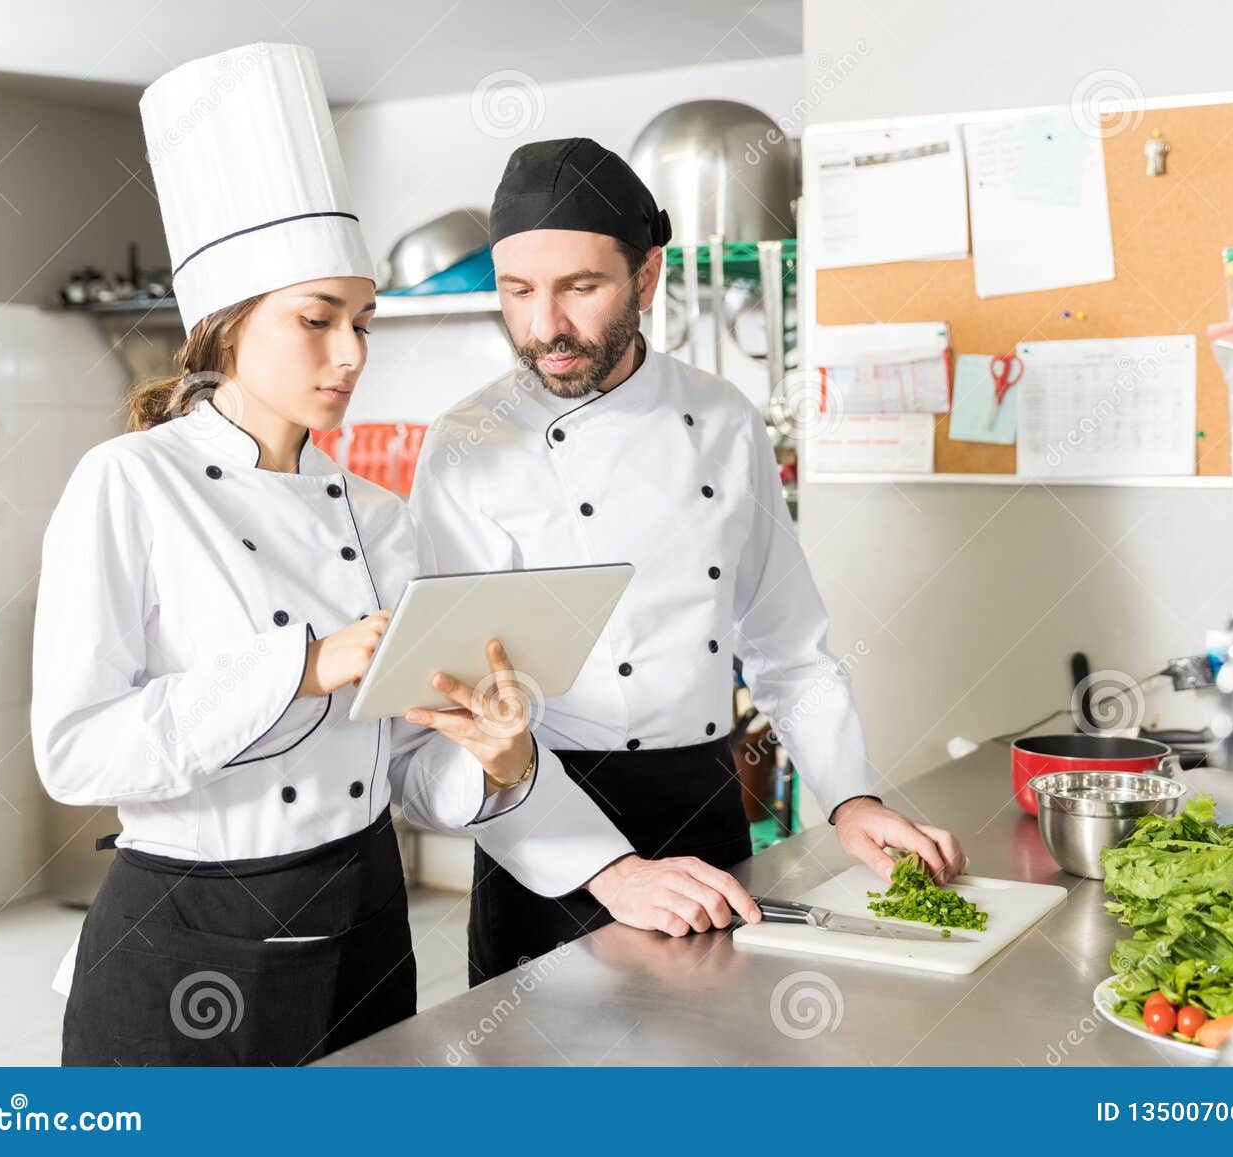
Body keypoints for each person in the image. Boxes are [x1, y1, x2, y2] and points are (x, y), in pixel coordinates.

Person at [32, 45, 619, 1065]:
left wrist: (493, 754)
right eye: (315, 320)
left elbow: (403, 769)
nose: (349, 354)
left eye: (362, 321)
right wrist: (304, 662)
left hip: (362, 914)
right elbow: (77, 749)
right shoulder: (129, 482)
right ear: (224, 328)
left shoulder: (381, 517)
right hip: (186, 931)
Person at [411, 138, 967, 986]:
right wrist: (608, 869)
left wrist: (852, 798)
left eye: (580, 287)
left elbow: (788, 647)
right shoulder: (468, 445)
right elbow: (460, 709)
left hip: (704, 806)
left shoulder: (723, 420)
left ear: (647, 276)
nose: (543, 327)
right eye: (518, 292)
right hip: (546, 824)